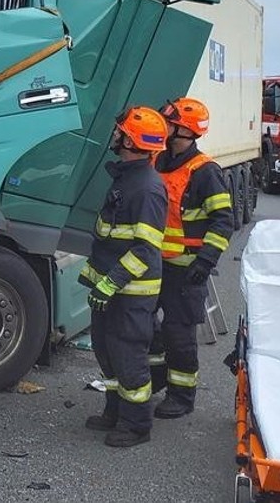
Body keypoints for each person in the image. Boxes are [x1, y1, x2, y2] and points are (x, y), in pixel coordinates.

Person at [81, 106, 169, 447]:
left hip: (130, 292)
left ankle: (136, 426)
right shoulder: (127, 178)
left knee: (128, 356)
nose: (114, 135)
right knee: (106, 351)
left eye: (120, 132)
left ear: (131, 141)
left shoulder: (147, 189)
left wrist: (109, 283)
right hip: (113, 289)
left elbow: (146, 251)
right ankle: (115, 411)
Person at [149, 97, 234, 419]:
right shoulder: (157, 161)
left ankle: (182, 395)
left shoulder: (205, 172)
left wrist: (205, 261)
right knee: (144, 326)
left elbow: (222, 220)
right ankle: (156, 378)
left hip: (186, 271)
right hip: (153, 264)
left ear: (184, 130)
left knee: (179, 336)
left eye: (169, 123)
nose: (164, 127)